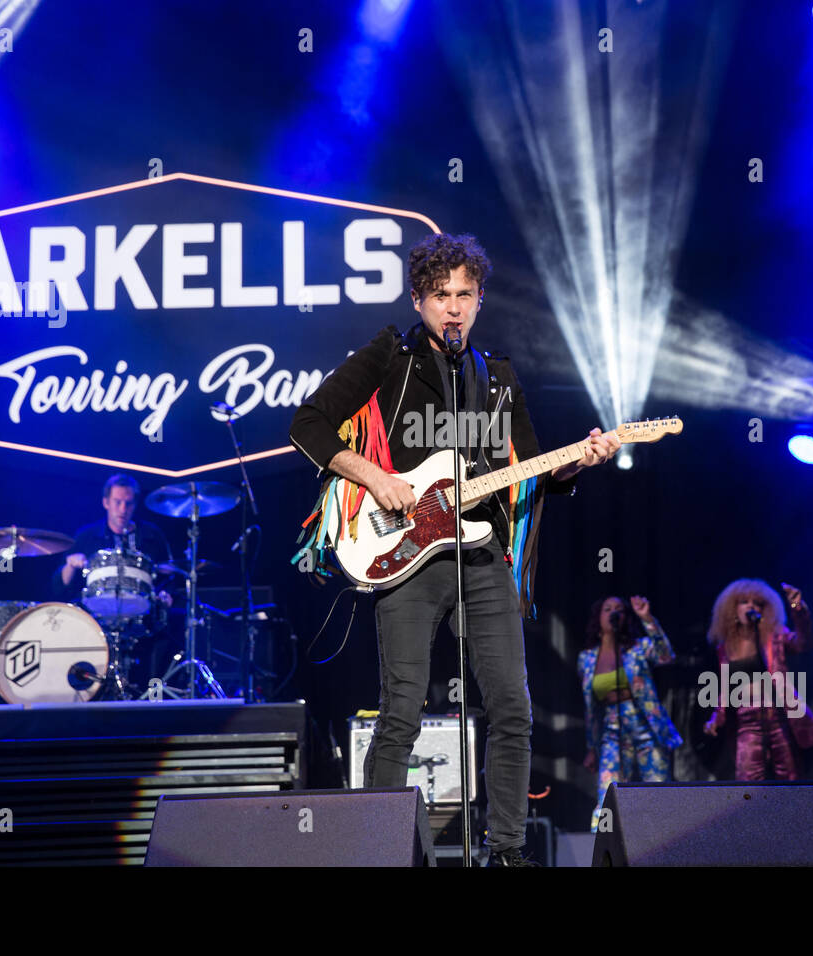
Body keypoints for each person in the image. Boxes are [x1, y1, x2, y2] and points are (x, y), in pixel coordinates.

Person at [289, 233, 618, 865]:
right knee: (401, 711)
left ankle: (508, 851)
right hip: (404, 553)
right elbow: (308, 423)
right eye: (441, 295)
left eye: (465, 294)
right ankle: (379, 850)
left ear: (480, 300)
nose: (453, 308)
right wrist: (376, 477)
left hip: (483, 553)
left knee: (512, 708)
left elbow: (532, 468)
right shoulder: (391, 356)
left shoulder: (497, 377)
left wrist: (580, 461)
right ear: (418, 300)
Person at [50, 475, 175, 685]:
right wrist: (70, 565)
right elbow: (58, 588)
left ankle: (153, 698)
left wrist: (167, 593)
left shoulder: (152, 535)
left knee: (168, 633)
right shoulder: (86, 536)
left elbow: (170, 574)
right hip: (95, 617)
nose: (122, 509)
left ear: (134, 505)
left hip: (143, 617)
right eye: (117, 502)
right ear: (106, 502)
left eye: (128, 503)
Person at [703, 579, 813, 779]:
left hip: (778, 717)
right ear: (733, 608)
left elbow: (803, 643)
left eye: (757, 603)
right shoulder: (725, 647)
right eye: (744, 601)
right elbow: (725, 687)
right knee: (748, 782)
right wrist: (716, 717)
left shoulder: (774, 636)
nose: (751, 606)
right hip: (747, 722)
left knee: (790, 780)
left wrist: (798, 610)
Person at [578, 595, 681, 831]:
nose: (614, 612)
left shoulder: (638, 648)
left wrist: (647, 618)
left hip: (646, 725)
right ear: (599, 616)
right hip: (611, 728)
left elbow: (666, 655)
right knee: (608, 795)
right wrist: (592, 747)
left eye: (620, 609)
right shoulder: (586, 658)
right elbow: (590, 709)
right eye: (608, 608)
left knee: (658, 795)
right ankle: (605, 853)